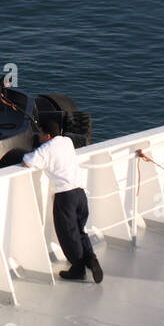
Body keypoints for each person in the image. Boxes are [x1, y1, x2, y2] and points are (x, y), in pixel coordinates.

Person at [22, 120, 103, 282]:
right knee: (80, 230)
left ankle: (78, 269)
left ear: (47, 135)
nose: (39, 136)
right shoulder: (67, 142)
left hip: (65, 196)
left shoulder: (45, 149)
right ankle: (91, 258)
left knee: (68, 235)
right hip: (80, 193)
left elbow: (27, 162)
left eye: (41, 133)